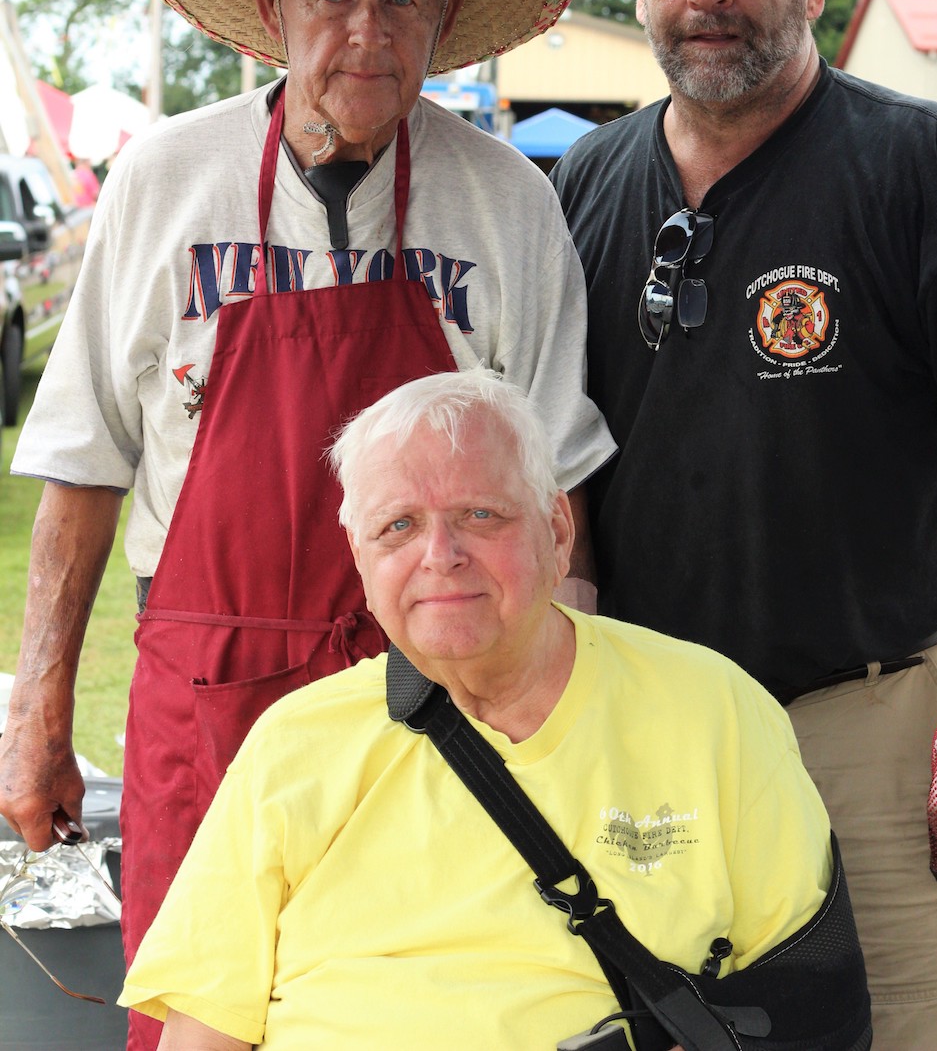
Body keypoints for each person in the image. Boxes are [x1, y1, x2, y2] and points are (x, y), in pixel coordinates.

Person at [0, 0, 615, 1050]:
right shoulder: (166, 179)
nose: (365, 35)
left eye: (400, 1)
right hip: (206, 697)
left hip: (445, 696)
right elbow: (82, 461)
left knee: (424, 1010)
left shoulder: (508, 204)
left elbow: (559, 500)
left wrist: (570, 718)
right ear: (273, 4)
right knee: (202, 1018)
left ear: (445, 17)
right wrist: (37, 714)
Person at [550, 0, 937, 1048]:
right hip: (656, 728)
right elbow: (559, 432)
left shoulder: (928, 164)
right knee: (678, 1023)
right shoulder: (585, 181)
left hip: (877, 720)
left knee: (922, 1020)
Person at [118, 368, 867, 1051]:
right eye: (399, 526)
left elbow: (814, 1002)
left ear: (558, 532)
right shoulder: (292, 742)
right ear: (359, 559)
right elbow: (203, 1031)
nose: (440, 553)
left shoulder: (714, 709)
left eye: (480, 514)